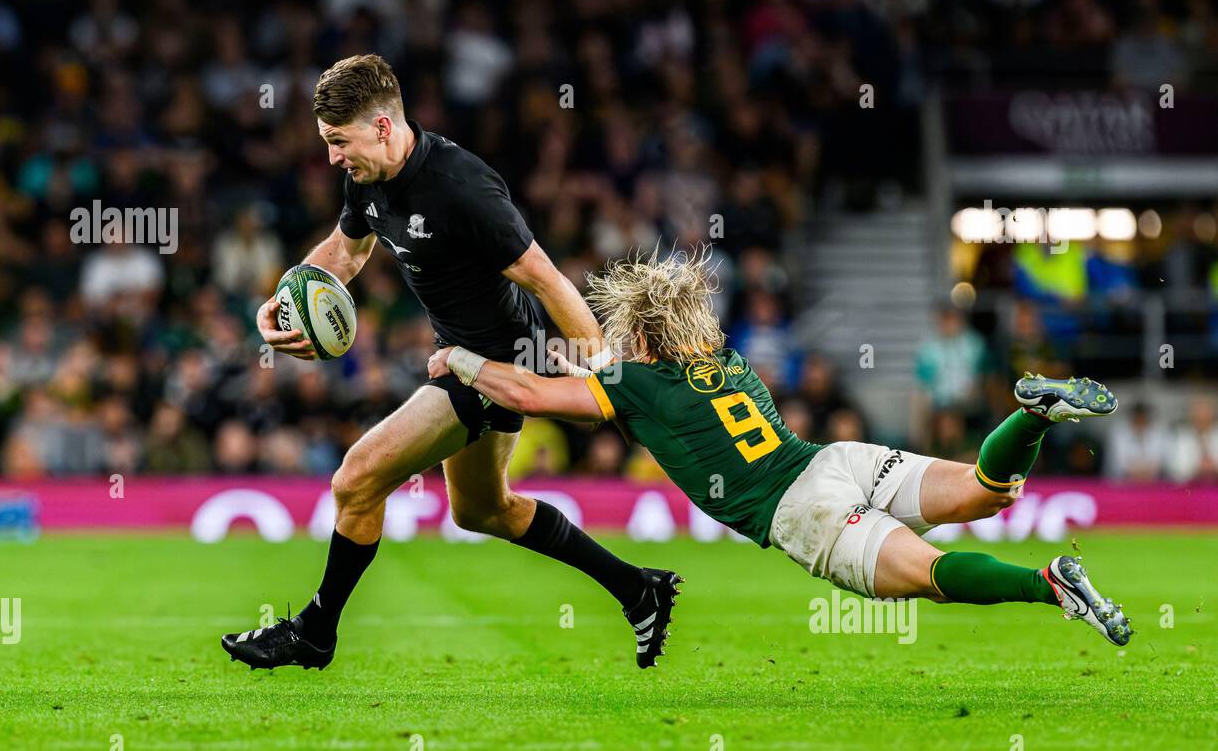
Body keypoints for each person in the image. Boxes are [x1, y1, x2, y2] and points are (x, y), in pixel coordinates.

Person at [222, 56, 681, 672]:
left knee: (355, 480)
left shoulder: (462, 188)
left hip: (493, 362)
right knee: (481, 510)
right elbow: (344, 254)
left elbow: (548, 281)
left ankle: (315, 633)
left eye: (339, 142)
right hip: (460, 354)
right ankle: (637, 589)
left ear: (383, 127)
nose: (332, 157)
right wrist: (284, 299)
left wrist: (607, 381)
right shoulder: (364, 176)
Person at [429, 249, 1133, 647]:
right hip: (836, 459)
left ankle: (1046, 585)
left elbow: (526, 396)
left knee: (931, 575)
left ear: (641, 336)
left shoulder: (635, 382)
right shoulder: (723, 358)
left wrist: (458, 358)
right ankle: (1034, 416)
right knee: (990, 491)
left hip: (803, 512)